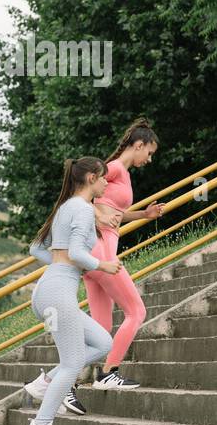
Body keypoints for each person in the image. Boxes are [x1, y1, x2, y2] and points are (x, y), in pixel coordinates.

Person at [24, 119, 164, 404]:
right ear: (138, 145)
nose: (149, 159)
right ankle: (108, 372)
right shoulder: (112, 168)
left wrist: (142, 216)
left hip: (94, 257)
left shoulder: (121, 173)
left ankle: (65, 384)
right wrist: (98, 217)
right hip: (100, 254)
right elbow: (83, 198)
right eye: (148, 152)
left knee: (101, 328)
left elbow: (110, 210)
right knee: (136, 311)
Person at [21, 157, 121, 425]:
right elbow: (77, 252)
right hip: (57, 293)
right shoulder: (80, 208)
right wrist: (104, 265)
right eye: (104, 178)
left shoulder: (68, 207)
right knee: (73, 362)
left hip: (50, 291)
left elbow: (36, 248)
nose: (106, 182)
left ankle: (43, 384)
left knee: (102, 343)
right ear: (91, 178)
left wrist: (62, 263)